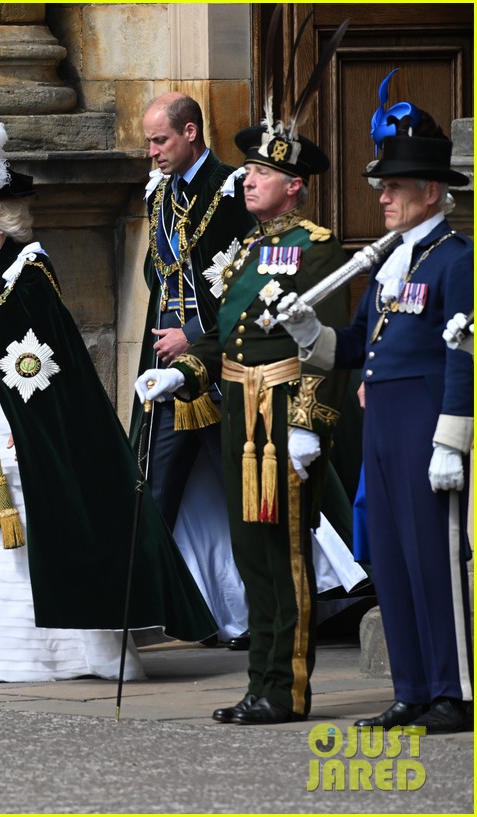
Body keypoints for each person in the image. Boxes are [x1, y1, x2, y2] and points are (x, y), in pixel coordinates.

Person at [0, 110, 215, 684]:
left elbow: (47, 362)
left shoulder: (28, 272)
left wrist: (26, 422)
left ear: (3, 217)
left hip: (15, 422)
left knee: (28, 526)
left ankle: (44, 651)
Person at [136, 116, 352, 724]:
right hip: (239, 415)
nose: (249, 181)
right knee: (249, 554)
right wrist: (185, 373)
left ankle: (286, 689)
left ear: (294, 185)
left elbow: (326, 345)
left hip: (283, 419)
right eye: (250, 170)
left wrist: (310, 422)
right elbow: (230, 338)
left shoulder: (318, 248)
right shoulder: (248, 252)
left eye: (262, 172)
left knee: (284, 554)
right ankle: (260, 681)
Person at [277, 105, 473, 733]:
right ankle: (412, 688)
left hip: (425, 415)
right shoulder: (391, 260)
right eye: (382, 188)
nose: (382, 198)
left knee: (433, 557)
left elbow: (464, 348)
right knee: (389, 557)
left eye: (393, 188)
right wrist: (310, 332)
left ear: (431, 192)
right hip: (383, 416)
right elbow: (356, 344)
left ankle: (454, 690)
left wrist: (452, 438)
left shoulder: (454, 258)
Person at [134, 92, 255, 648]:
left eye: (160, 140)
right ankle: (155, 609)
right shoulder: (159, 194)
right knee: (155, 489)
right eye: (149, 142)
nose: (152, 152)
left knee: (242, 490)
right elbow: (157, 278)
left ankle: (256, 615)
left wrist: (197, 338)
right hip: (166, 370)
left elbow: (247, 289)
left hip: (219, 366)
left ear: (190, 132)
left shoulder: (231, 189)